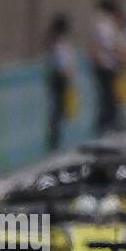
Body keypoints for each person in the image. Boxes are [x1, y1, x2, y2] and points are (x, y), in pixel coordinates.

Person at [89, 0, 122, 133]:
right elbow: (110, 43)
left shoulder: (100, 21)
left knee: (108, 95)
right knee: (108, 95)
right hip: (106, 64)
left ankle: (108, 122)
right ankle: (106, 124)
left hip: (105, 64)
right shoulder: (104, 23)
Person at [44, 14, 77, 150]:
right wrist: (69, 76)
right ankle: (54, 141)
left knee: (59, 110)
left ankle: (56, 139)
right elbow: (63, 63)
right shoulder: (60, 43)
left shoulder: (58, 42)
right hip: (59, 78)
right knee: (58, 110)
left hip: (58, 78)